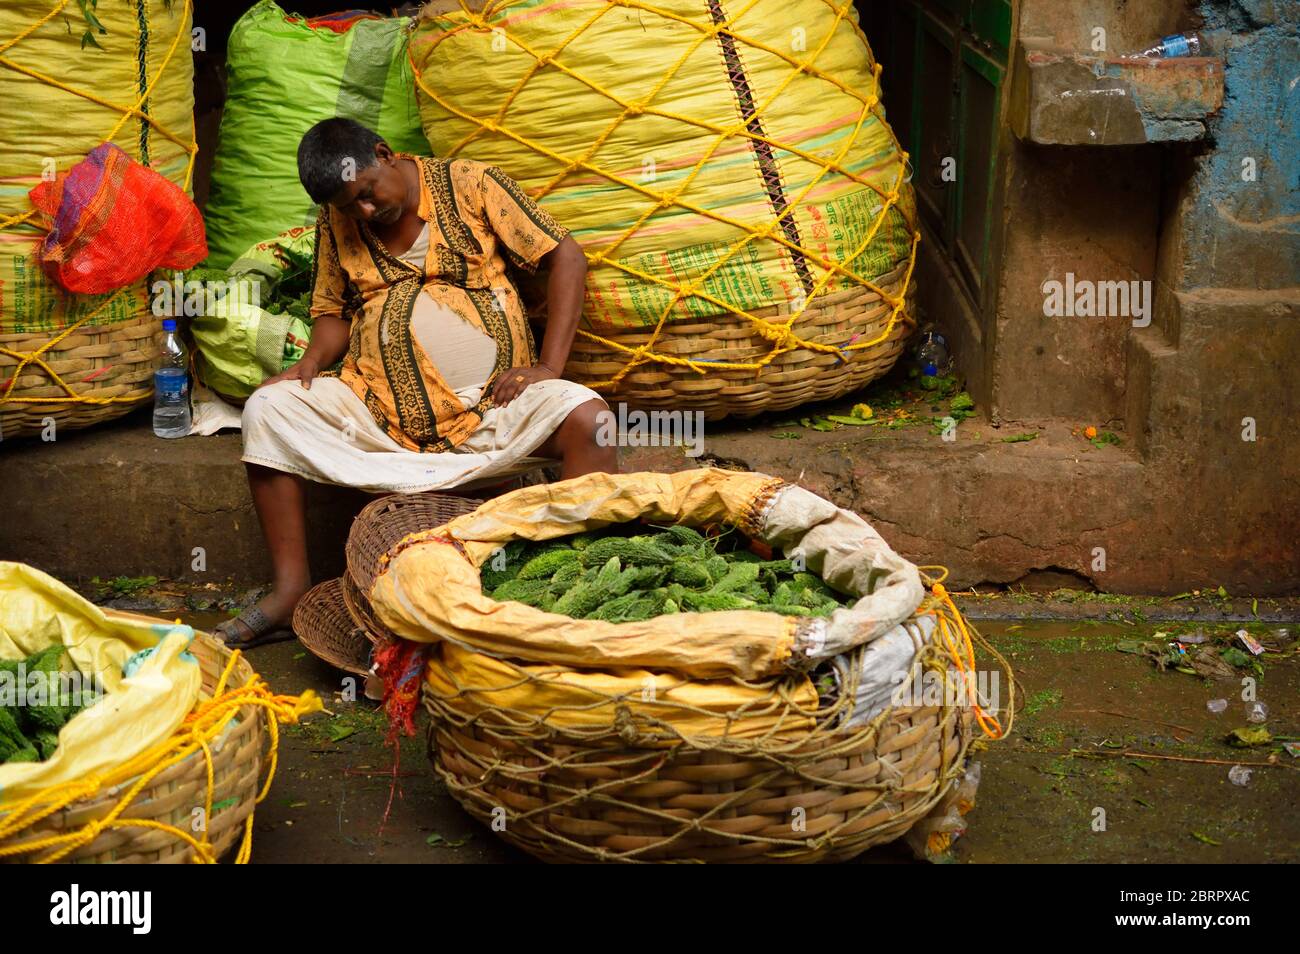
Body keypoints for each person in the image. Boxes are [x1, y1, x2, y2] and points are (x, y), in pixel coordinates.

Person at [216, 118, 616, 648]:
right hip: (381, 410)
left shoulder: (473, 183)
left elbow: (566, 255)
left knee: (593, 421)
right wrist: (310, 361)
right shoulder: (337, 220)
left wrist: (548, 368)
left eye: (365, 194)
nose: (362, 212)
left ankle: (569, 579)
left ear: (383, 154)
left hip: (494, 408)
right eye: (346, 207)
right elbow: (332, 310)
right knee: (268, 409)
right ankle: (291, 591)